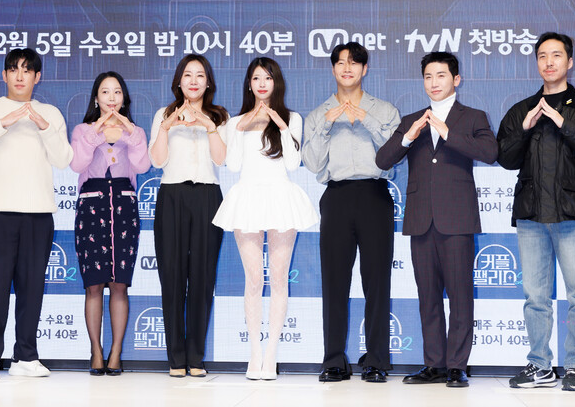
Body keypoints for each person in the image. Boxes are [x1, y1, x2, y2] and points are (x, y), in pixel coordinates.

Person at [497, 32, 575, 392]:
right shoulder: (522, 110)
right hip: (532, 217)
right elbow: (505, 158)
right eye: (542, 56)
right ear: (537, 63)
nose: (549, 62)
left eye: (556, 55)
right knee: (535, 297)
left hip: (574, 217)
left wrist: (565, 124)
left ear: (570, 61)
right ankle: (540, 366)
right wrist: (525, 128)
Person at [376, 52, 498, 388]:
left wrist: (447, 133)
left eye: (441, 75)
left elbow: (490, 153)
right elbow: (382, 159)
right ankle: (434, 364)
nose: (434, 82)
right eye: (428, 76)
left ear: (456, 79)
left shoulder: (473, 117)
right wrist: (408, 136)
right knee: (427, 297)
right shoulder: (412, 119)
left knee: (460, 296)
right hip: (420, 220)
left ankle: (457, 365)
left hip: (456, 220)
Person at [0, 48, 73, 380]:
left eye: (27, 70)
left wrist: (43, 126)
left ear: (37, 77)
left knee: (32, 288)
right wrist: (2, 123)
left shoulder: (50, 113)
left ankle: (26, 356)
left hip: (38, 212)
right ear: (3, 75)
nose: (19, 75)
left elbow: (63, 158)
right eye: (13, 69)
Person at [212, 58, 319, 380]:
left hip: (280, 198)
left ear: (276, 83)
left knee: (279, 279)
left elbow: (292, 164)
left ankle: (271, 354)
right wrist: (240, 128)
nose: (262, 83)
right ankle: (254, 354)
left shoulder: (292, 118)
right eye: (256, 78)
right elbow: (232, 166)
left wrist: (282, 127)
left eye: (267, 78)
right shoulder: (236, 121)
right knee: (254, 280)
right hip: (247, 199)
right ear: (249, 83)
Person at [302, 42, 400, 384]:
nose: (348, 68)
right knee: (334, 282)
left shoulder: (384, 110)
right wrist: (327, 126)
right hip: (337, 196)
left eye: (355, 63)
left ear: (365, 69)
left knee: (377, 282)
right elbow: (313, 163)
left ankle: (376, 360)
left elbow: (393, 156)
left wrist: (366, 120)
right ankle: (333, 360)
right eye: (341, 63)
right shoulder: (318, 114)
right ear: (333, 69)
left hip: (374, 195)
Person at [148, 55, 228, 377]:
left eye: (200, 75)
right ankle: (175, 358)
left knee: (202, 278)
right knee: (172, 278)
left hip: (208, 196)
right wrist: (167, 126)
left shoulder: (220, 116)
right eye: (187, 75)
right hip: (172, 196)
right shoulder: (163, 114)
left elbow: (222, 160)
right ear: (178, 81)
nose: (193, 81)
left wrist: (209, 126)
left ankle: (196, 357)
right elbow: (157, 161)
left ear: (208, 82)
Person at [69, 72, 150, 376]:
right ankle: (95, 351)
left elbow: (143, 165)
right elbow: (77, 164)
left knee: (119, 285)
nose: (112, 97)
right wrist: (98, 132)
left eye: (117, 92)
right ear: (96, 98)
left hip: (124, 208)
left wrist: (128, 133)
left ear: (124, 98)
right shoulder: (82, 130)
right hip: (92, 207)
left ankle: (115, 352)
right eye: (105, 92)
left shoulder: (135, 132)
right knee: (93, 286)